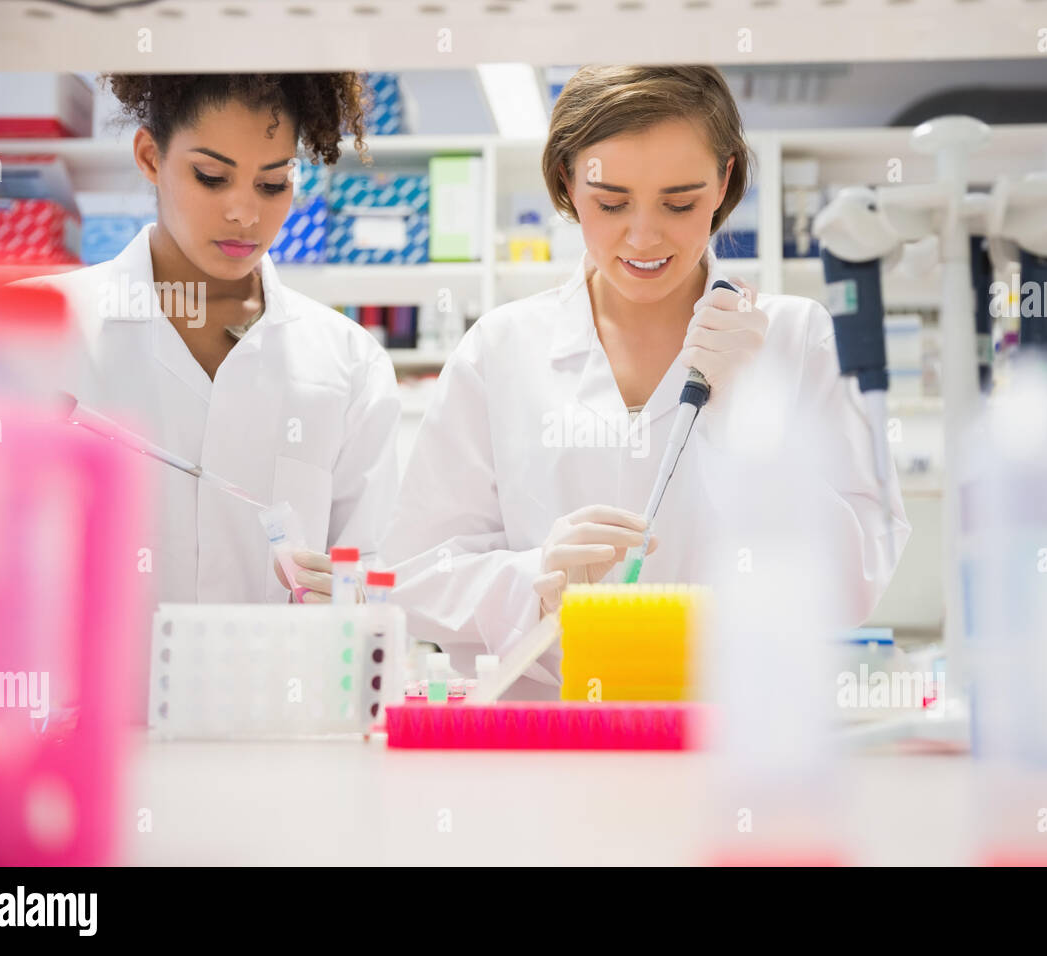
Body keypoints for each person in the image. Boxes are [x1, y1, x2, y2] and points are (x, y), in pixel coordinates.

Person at [382, 65, 910, 697]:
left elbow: (854, 584)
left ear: (726, 181)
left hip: (734, 731)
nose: (643, 236)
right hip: (548, 737)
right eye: (611, 203)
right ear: (566, 184)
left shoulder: (798, 340)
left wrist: (754, 417)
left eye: (680, 202)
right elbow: (413, 577)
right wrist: (533, 576)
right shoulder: (500, 350)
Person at [29, 74, 400, 604]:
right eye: (211, 176)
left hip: (279, 686)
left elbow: (374, 568)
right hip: (94, 689)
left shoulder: (350, 364)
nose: (245, 214)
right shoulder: (44, 332)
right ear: (151, 157)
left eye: (273, 184)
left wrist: (354, 598)